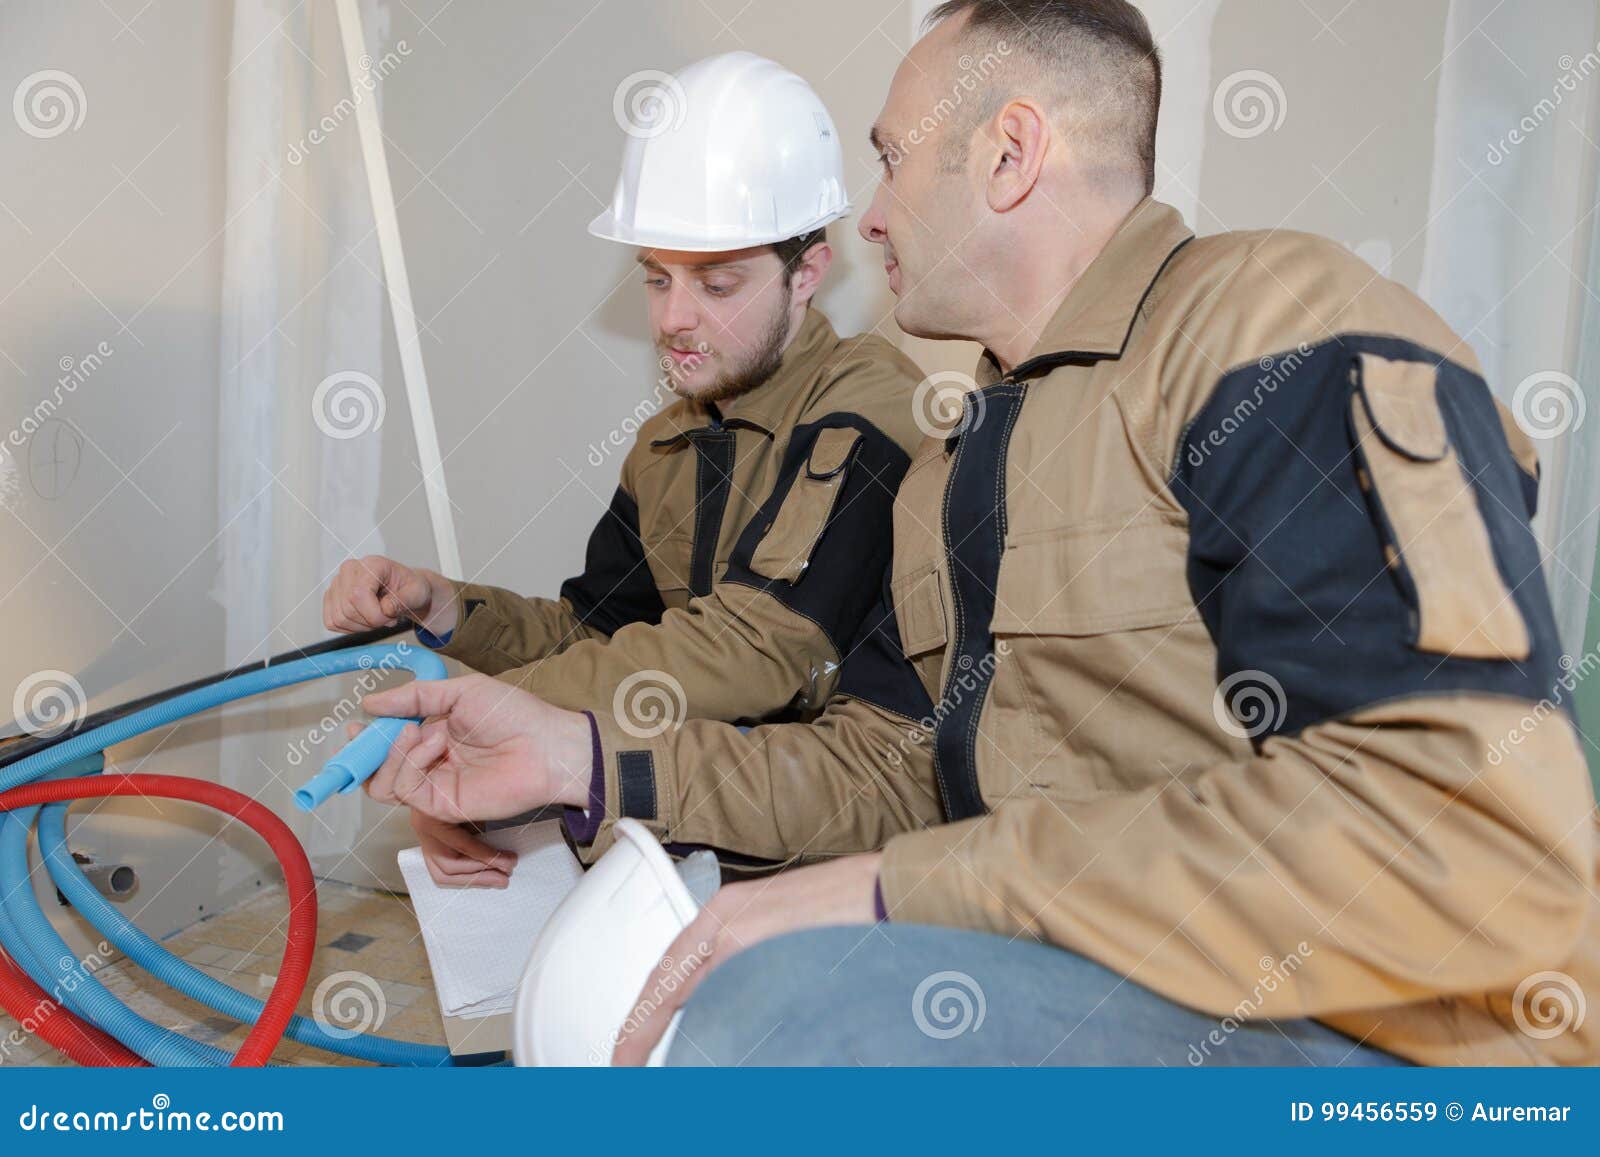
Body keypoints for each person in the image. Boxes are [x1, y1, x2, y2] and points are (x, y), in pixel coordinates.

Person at [358, 0, 1597, 1066]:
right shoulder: (959, 456)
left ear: (1008, 154)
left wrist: (902, 888)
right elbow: (890, 766)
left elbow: (1442, 824)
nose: (874, 217)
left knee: (774, 1024)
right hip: (1111, 974)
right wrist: (581, 758)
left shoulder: (1260, 328)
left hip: (1376, 1032)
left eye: (892, 160)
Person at [324, 53, 927, 887]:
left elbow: (756, 648)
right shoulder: (666, 446)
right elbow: (599, 635)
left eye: (717, 283)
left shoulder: (871, 409)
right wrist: (455, 611)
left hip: (847, 848)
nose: (675, 319)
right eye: (656, 278)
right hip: (692, 820)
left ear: (808, 277)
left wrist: (483, 720)